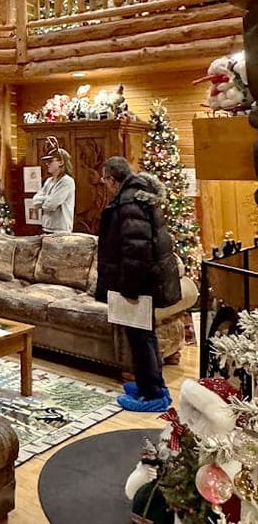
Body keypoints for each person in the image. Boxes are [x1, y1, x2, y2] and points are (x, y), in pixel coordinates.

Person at [95, 156, 182, 413]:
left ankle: (152, 394)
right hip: (145, 281)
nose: (105, 185)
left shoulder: (130, 203)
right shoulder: (139, 196)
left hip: (139, 284)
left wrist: (130, 288)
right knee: (144, 334)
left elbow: (136, 250)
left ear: (112, 179)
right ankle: (152, 384)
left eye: (105, 180)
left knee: (140, 337)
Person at [30, 147, 75, 234]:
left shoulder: (66, 181)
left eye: (50, 161)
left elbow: (51, 205)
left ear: (61, 162)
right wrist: (48, 198)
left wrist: (44, 199)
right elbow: (35, 201)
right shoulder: (49, 181)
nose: (47, 164)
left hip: (60, 230)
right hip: (46, 227)